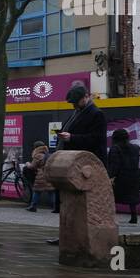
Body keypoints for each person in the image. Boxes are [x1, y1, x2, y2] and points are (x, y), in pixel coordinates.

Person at [46, 84, 106, 245]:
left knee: (82, 203)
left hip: (84, 165)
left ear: (86, 97)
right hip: (72, 162)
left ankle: (81, 236)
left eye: (75, 102)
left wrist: (72, 138)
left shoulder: (96, 114)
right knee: (69, 202)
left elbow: (96, 139)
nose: (73, 105)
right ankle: (67, 235)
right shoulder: (77, 112)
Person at [107, 128, 140, 225]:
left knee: (112, 198)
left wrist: (111, 176)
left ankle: (111, 218)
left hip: (120, 177)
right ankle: (134, 217)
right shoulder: (135, 147)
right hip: (134, 176)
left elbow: (114, 164)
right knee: (132, 198)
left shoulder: (115, 148)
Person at [26, 140, 57, 213]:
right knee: (51, 192)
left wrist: (27, 164)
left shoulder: (38, 155)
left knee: (37, 191)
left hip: (41, 175)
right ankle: (56, 207)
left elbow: (32, 166)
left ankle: (33, 206)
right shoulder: (48, 154)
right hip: (49, 175)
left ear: (36, 148)